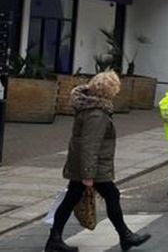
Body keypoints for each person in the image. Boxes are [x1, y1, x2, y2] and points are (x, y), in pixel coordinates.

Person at [45, 71, 151, 252]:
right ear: (110, 90)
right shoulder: (97, 113)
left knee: (71, 199)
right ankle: (125, 236)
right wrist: (88, 174)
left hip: (85, 163)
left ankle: (54, 239)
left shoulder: (89, 105)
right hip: (93, 165)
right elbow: (90, 144)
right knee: (112, 195)